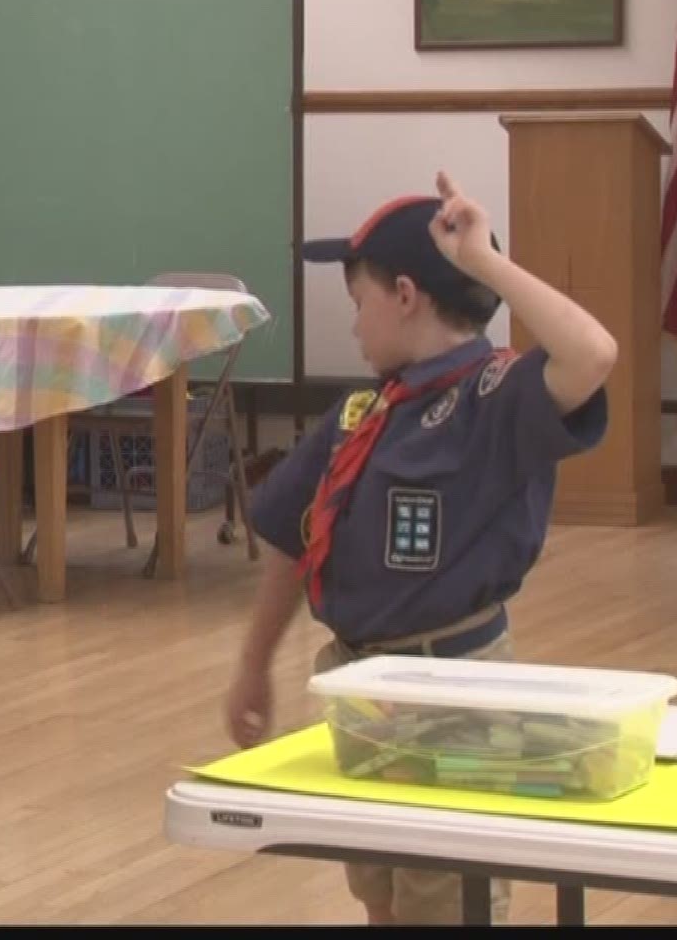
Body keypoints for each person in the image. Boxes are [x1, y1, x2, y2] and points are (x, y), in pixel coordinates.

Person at [223, 175, 617, 926]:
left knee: (449, 899)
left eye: (358, 303)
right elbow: (286, 538)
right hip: (357, 678)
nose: (353, 328)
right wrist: (252, 664)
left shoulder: (494, 397)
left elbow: (593, 354)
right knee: (380, 891)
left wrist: (487, 264)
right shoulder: (359, 411)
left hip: (455, 684)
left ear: (406, 295)